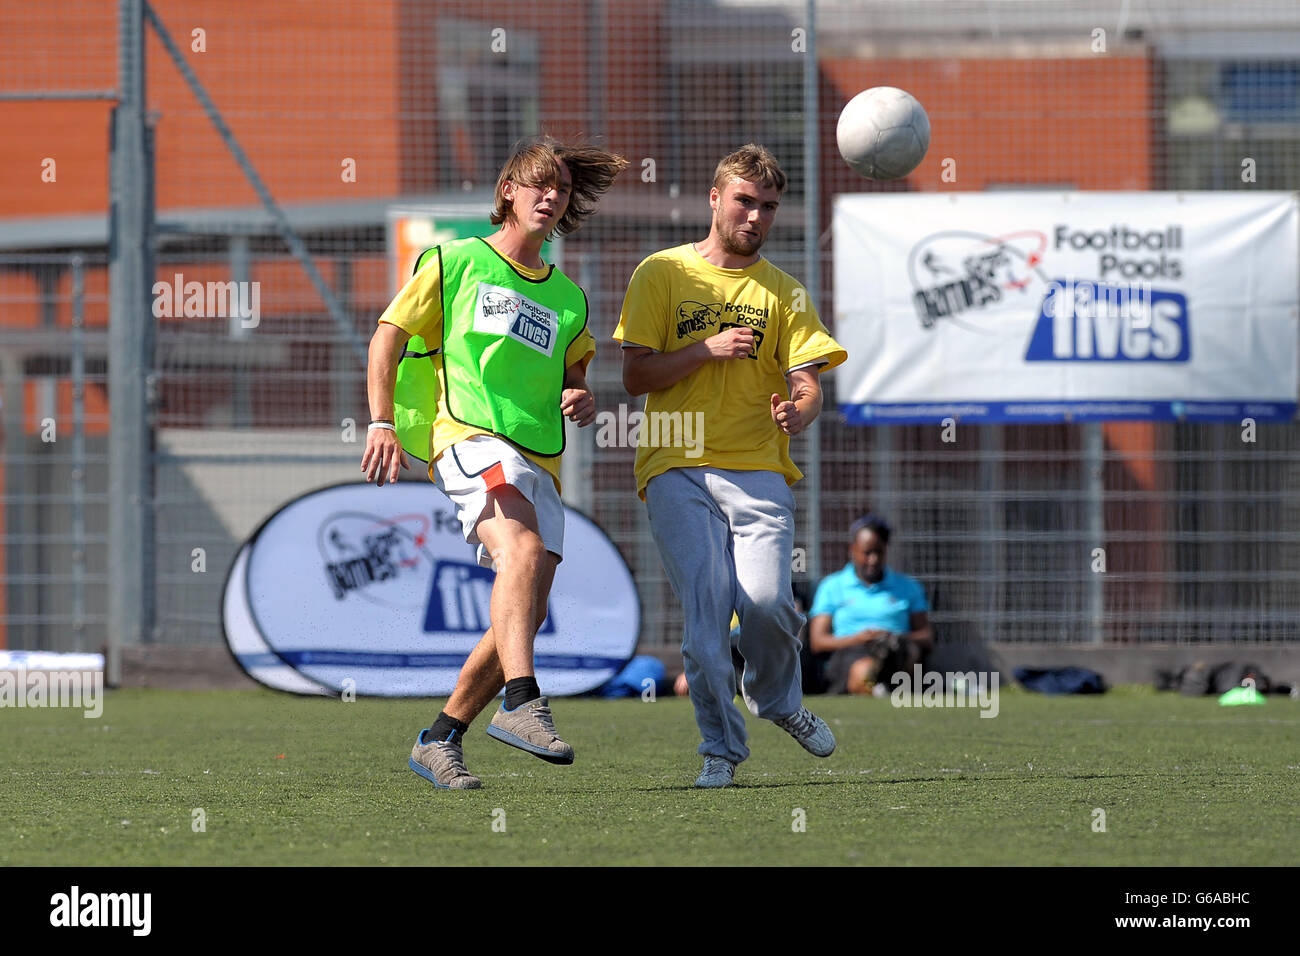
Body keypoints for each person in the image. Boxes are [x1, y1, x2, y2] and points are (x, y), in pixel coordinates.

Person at [362, 136, 627, 790]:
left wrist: (581, 395)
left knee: (525, 611)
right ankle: (521, 701)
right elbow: (388, 337)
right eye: (539, 184)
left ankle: (440, 736)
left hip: (542, 456)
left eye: (561, 189)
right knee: (522, 554)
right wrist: (381, 422)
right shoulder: (455, 262)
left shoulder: (569, 298)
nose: (550, 196)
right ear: (507, 190)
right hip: (469, 436)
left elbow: (574, 373)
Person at [614, 143, 847, 788]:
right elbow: (634, 376)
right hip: (675, 459)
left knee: (769, 601)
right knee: (706, 617)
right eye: (744, 201)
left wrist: (802, 409)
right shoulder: (661, 272)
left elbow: (807, 380)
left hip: (756, 466)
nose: (756, 216)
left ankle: (779, 700)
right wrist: (705, 348)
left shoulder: (784, 291)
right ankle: (721, 748)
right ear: (715, 199)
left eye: (768, 206)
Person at [808, 514, 934, 695]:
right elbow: (817, 641)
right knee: (864, 669)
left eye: (879, 552)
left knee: (908, 654)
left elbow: (926, 637)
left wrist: (895, 637)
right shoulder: (832, 586)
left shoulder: (908, 587)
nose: (873, 560)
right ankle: (879, 687)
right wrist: (859, 639)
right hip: (850, 652)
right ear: (853, 550)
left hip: (898, 649)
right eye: (867, 553)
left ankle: (890, 684)